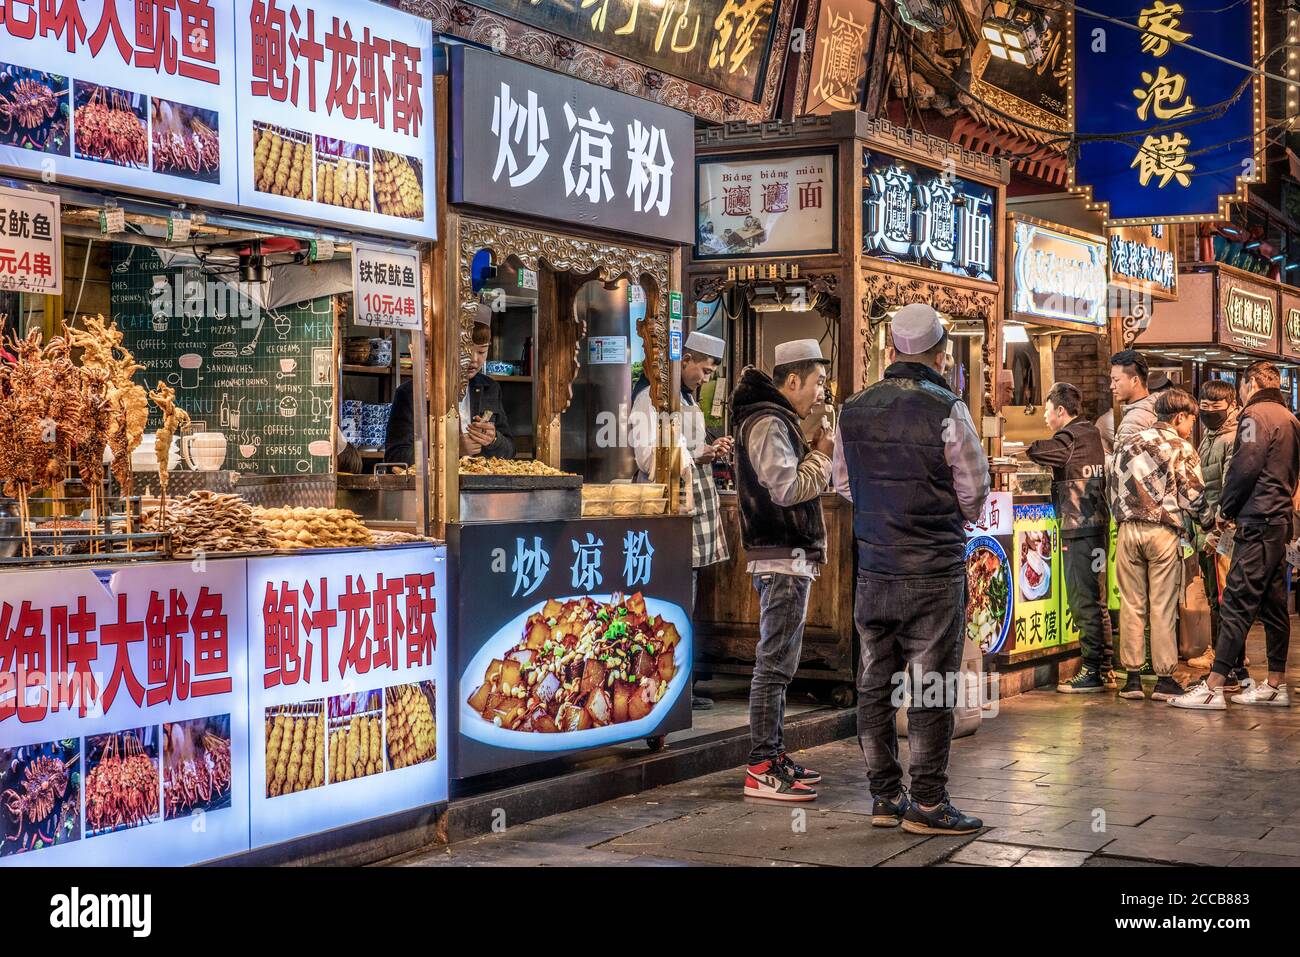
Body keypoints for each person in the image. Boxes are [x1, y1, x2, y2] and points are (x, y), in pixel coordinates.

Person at [832, 303, 989, 835]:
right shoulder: (950, 409)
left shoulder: (852, 410)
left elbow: (844, 485)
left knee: (874, 682)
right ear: (941, 354)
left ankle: (883, 797)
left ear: (892, 351)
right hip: (933, 571)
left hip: (875, 568)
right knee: (931, 688)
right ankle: (927, 802)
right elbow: (973, 494)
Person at [732, 339, 833, 802]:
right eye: (817, 383)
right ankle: (760, 766)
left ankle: (773, 754)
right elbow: (788, 489)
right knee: (774, 663)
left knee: (782, 662)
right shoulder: (769, 422)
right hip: (781, 558)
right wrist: (824, 454)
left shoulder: (775, 419)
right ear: (792, 380)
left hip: (785, 559)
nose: (820, 393)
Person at [1172, 361, 1300, 710]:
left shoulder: (1254, 417)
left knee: (1236, 602)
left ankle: (1214, 686)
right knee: (1274, 606)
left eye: (1242, 386)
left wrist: (1226, 511)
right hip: (1279, 523)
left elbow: (1244, 469)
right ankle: (1275, 683)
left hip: (1256, 522)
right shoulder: (1289, 419)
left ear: (1250, 385)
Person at [630, 331, 731, 710]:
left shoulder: (687, 398)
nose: (705, 379)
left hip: (693, 504)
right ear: (683, 358)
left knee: (687, 599)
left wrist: (707, 450)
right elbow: (648, 458)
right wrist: (697, 455)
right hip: (668, 509)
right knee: (672, 601)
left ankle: (681, 685)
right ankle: (667, 689)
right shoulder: (648, 398)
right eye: (702, 370)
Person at [1107, 389, 1205, 702]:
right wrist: (1210, 524)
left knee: (1132, 604)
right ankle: (1164, 679)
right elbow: (1194, 496)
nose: (1191, 426)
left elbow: (1110, 486)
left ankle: (1132, 680)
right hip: (1162, 532)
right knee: (1161, 607)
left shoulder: (1126, 443)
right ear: (1179, 417)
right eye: (1191, 420)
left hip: (1127, 530)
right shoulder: (1181, 446)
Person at [1027, 383, 1111, 693]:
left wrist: (1030, 447)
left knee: (1083, 600)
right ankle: (1103, 667)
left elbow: (1039, 450)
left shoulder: (1072, 437)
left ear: (1061, 411)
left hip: (1079, 528)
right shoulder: (1090, 433)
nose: (1046, 418)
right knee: (1095, 600)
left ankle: (1092, 671)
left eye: (1047, 411)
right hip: (1095, 526)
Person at [385, 310, 514, 465]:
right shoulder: (410, 392)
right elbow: (395, 457)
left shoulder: (490, 388)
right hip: (435, 487)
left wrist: (494, 440)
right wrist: (450, 449)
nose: (474, 360)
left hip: (480, 486)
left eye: (481, 351)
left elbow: (510, 451)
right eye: (465, 351)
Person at [1186, 380, 1247, 684]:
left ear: (1232, 405)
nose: (1208, 412)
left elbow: (1228, 490)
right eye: (1204, 406)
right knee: (1215, 597)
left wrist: (1217, 532)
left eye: (1215, 407)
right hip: (1208, 529)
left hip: (1222, 534)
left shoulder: (1231, 439)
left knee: (1224, 599)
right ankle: (1224, 657)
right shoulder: (1210, 436)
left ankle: (1230, 665)